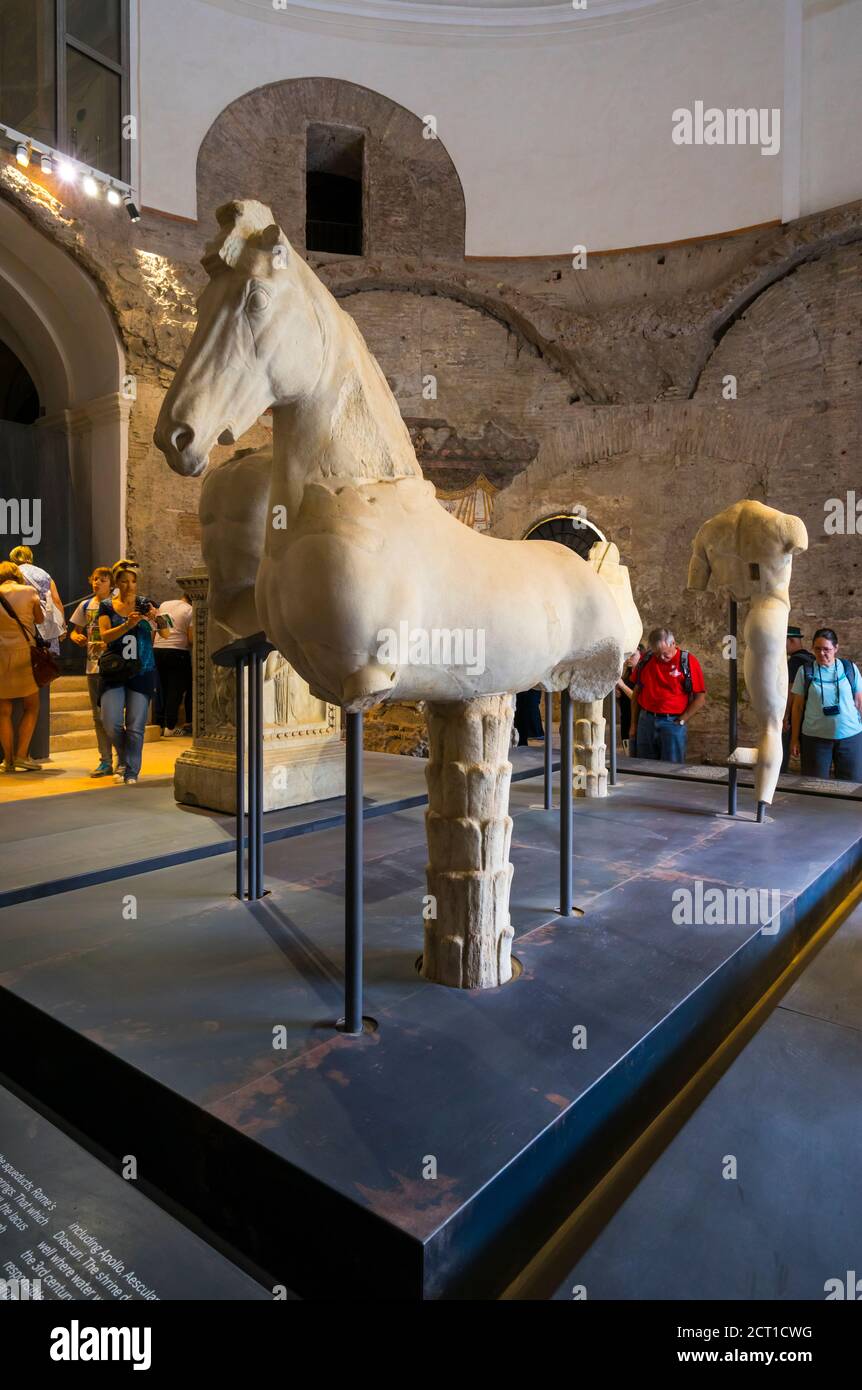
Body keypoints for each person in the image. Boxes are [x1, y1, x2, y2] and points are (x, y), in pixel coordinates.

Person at [97, 562, 170, 785]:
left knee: (136, 726)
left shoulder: (146, 604)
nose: (129, 585)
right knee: (110, 722)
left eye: (133, 581)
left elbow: (166, 632)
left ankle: (130, 771)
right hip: (115, 671)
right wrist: (127, 625)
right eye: (124, 581)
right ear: (116, 582)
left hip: (143, 670)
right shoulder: (107, 606)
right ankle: (125, 758)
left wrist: (156, 616)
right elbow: (105, 636)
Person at [8, 545, 65, 763]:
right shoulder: (44, 573)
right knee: (40, 681)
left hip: (22, 632)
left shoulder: (14, 576)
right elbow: (57, 601)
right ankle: (32, 749)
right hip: (45, 633)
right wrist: (61, 627)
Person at [790, 627, 862, 781]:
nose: (822, 653)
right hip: (815, 740)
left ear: (836, 648)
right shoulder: (805, 671)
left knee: (852, 786)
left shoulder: (850, 669)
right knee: (813, 785)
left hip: (850, 737)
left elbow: (860, 702)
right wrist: (794, 739)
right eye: (817, 649)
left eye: (826, 649)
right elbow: (797, 708)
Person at [630, 626, 706, 763]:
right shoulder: (646, 660)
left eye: (665, 654)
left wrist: (683, 719)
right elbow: (636, 693)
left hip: (672, 723)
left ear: (673, 644)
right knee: (642, 767)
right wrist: (634, 724)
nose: (662, 658)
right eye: (657, 654)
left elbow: (700, 698)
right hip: (646, 721)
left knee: (671, 769)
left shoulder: (688, 661)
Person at [69, 567, 115, 777]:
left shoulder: (117, 604)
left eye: (103, 580)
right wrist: (75, 637)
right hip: (93, 666)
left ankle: (123, 758)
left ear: (111, 583)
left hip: (115, 666)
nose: (97, 583)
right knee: (98, 717)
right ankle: (105, 760)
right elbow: (75, 630)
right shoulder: (86, 605)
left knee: (114, 716)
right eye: (95, 579)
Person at [0, 561, 44, 772]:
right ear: (17, 574)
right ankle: (21, 755)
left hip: (0, 654)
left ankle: (7, 761)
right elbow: (40, 619)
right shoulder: (29, 591)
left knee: (3, 710)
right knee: (32, 706)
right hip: (24, 653)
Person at [154, 587, 194, 735]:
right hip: (177, 652)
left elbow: (159, 629)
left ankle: (158, 724)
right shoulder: (190, 610)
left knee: (161, 689)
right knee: (175, 690)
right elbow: (190, 638)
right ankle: (169, 727)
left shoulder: (164, 605)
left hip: (157, 649)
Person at [781, 625, 813, 772]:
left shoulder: (794, 662)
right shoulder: (811, 658)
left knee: (783, 750)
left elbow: (791, 692)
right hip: (809, 715)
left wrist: (785, 715)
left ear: (791, 640)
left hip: (796, 714)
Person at [617, 643, 646, 751]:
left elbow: (638, 698)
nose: (628, 659)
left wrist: (623, 686)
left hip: (638, 718)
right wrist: (618, 695)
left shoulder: (643, 674)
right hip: (625, 718)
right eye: (627, 655)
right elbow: (624, 700)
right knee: (628, 749)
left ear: (641, 656)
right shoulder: (627, 675)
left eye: (632, 655)